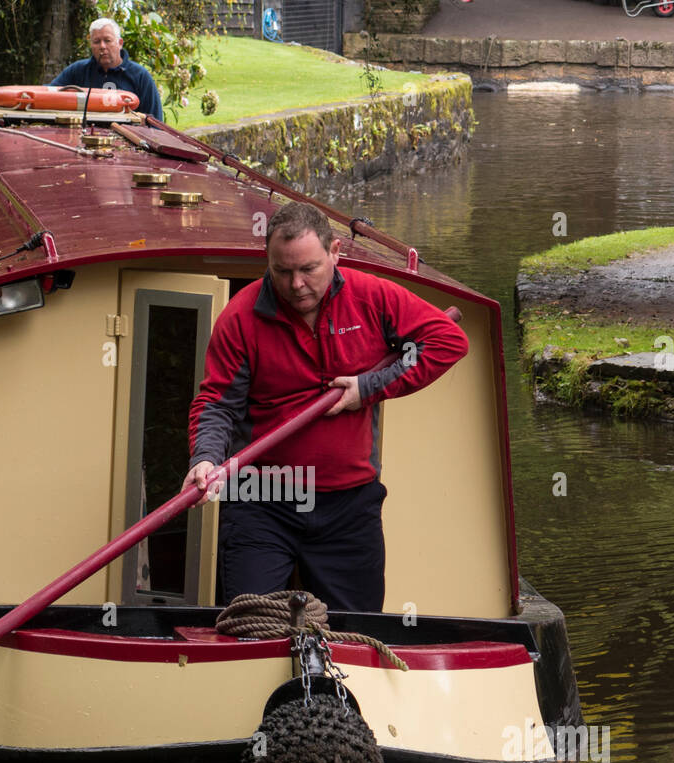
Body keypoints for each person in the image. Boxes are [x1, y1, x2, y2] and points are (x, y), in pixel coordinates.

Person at [182, 202, 468, 613]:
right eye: (283, 271)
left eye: (309, 269)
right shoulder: (240, 317)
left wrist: (367, 387)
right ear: (269, 261)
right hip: (261, 497)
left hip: (349, 503)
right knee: (250, 625)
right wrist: (206, 458)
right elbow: (217, 404)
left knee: (357, 633)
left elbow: (447, 342)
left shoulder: (373, 296)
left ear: (335, 252)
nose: (296, 284)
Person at [51, 17, 163, 122]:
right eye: (96, 42)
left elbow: (156, 122)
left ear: (120, 43)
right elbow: (49, 95)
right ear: (91, 45)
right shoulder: (77, 70)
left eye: (107, 40)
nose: (102, 46)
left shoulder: (140, 76)